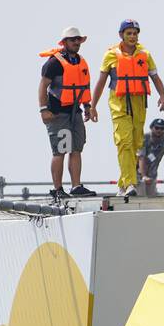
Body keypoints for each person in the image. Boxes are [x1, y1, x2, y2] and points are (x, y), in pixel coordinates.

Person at [90, 19, 164, 197]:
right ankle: (130, 183)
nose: (132, 36)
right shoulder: (110, 55)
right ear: (121, 35)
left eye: (135, 33)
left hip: (139, 103)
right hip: (119, 104)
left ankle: (122, 183)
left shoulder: (145, 54)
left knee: (135, 144)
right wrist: (93, 106)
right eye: (129, 33)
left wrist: (162, 96)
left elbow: (155, 78)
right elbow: (101, 82)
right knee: (124, 142)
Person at [39, 26, 97, 199]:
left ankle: (76, 186)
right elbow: (43, 86)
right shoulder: (54, 63)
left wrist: (87, 106)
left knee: (77, 148)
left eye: (78, 40)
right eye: (73, 40)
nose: (76, 43)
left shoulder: (80, 61)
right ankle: (58, 189)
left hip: (75, 112)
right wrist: (43, 110)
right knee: (60, 150)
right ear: (64, 42)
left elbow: (84, 86)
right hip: (58, 114)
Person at [139, 118, 164, 195]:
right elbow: (141, 157)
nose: (159, 130)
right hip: (138, 174)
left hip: (152, 174)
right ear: (151, 128)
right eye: (157, 128)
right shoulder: (145, 138)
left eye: (162, 128)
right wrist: (144, 176)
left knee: (152, 199)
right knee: (140, 198)